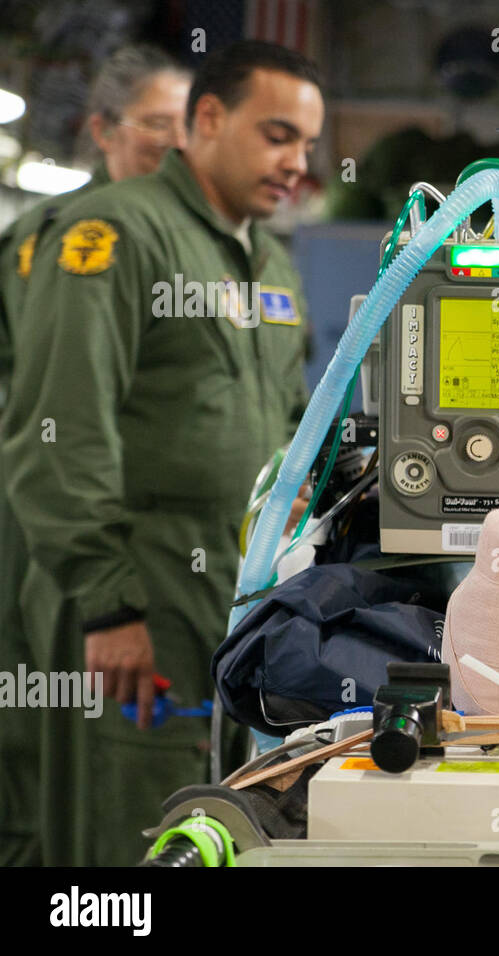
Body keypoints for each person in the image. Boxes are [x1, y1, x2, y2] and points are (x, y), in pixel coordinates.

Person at [0, 39, 323, 866]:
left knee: (212, 814)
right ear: (206, 119)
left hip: (231, 597)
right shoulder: (113, 233)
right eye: (278, 134)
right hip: (137, 594)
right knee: (127, 826)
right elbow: (60, 431)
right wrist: (111, 606)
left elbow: (285, 426)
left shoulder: (268, 258)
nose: (297, 163)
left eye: (309, 146)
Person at [0, 44, 190, 867]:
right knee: (44, 760)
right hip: (43, 528)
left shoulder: (188, 239)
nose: (178, 146)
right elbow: (59, 417)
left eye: (193, 128)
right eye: (159, 127)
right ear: (102, 130)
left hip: (128, 539)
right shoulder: (72, 237)